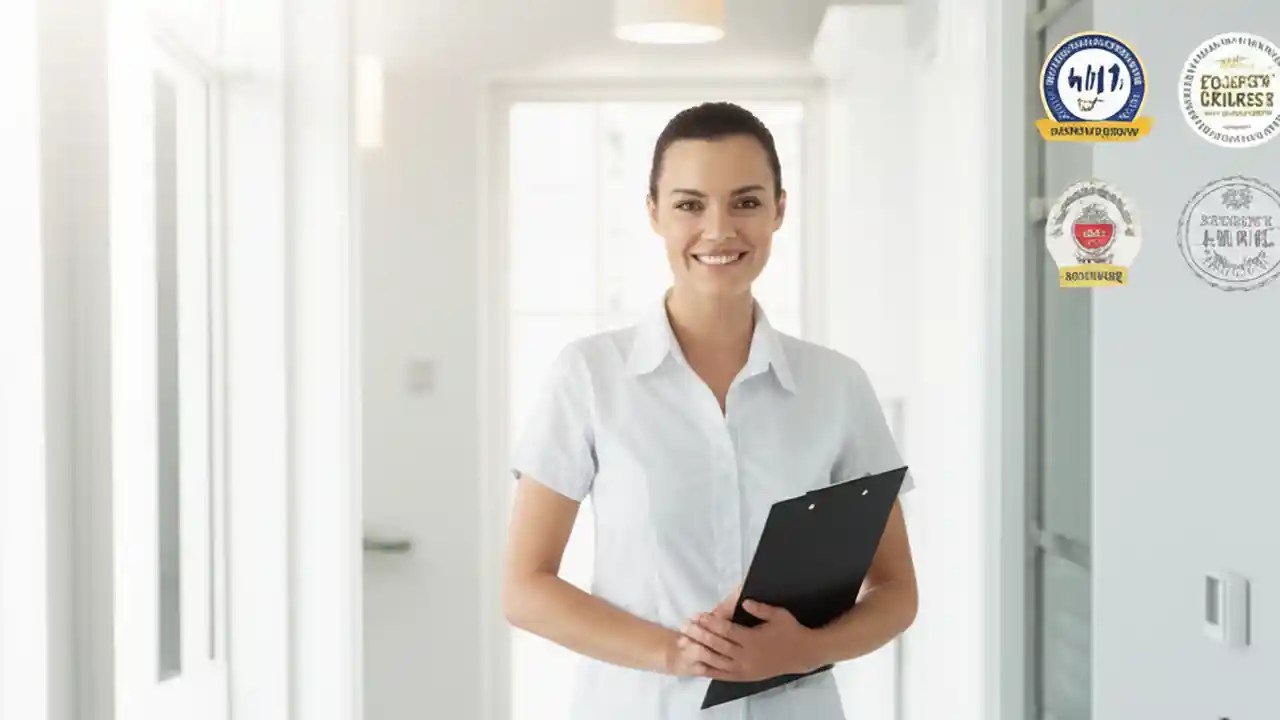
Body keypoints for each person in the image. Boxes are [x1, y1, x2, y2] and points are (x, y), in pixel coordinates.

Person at [501, 101, 918, 720]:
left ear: (779, 209)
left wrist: (804, 650)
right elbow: (525, 588)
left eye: (745, 202)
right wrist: (678, 653)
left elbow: (896, 590)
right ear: (654, 212)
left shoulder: (836, 386)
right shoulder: (589, 375)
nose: (719, 230)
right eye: (690, 204)